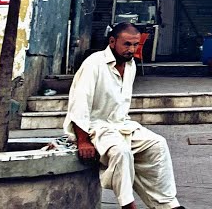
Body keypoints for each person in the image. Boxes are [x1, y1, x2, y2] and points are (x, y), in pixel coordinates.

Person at [65, 23, 183, 209]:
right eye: (127, 44)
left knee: (157, 144)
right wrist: (83, 140)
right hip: (95, 127)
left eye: (135, 45)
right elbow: (80, 104)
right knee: (121, 152)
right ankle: (128, 205)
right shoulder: (93, 64)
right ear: (112, 41)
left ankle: (167, 204)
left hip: (121, 125)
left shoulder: (130, 66)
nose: (132, 49)